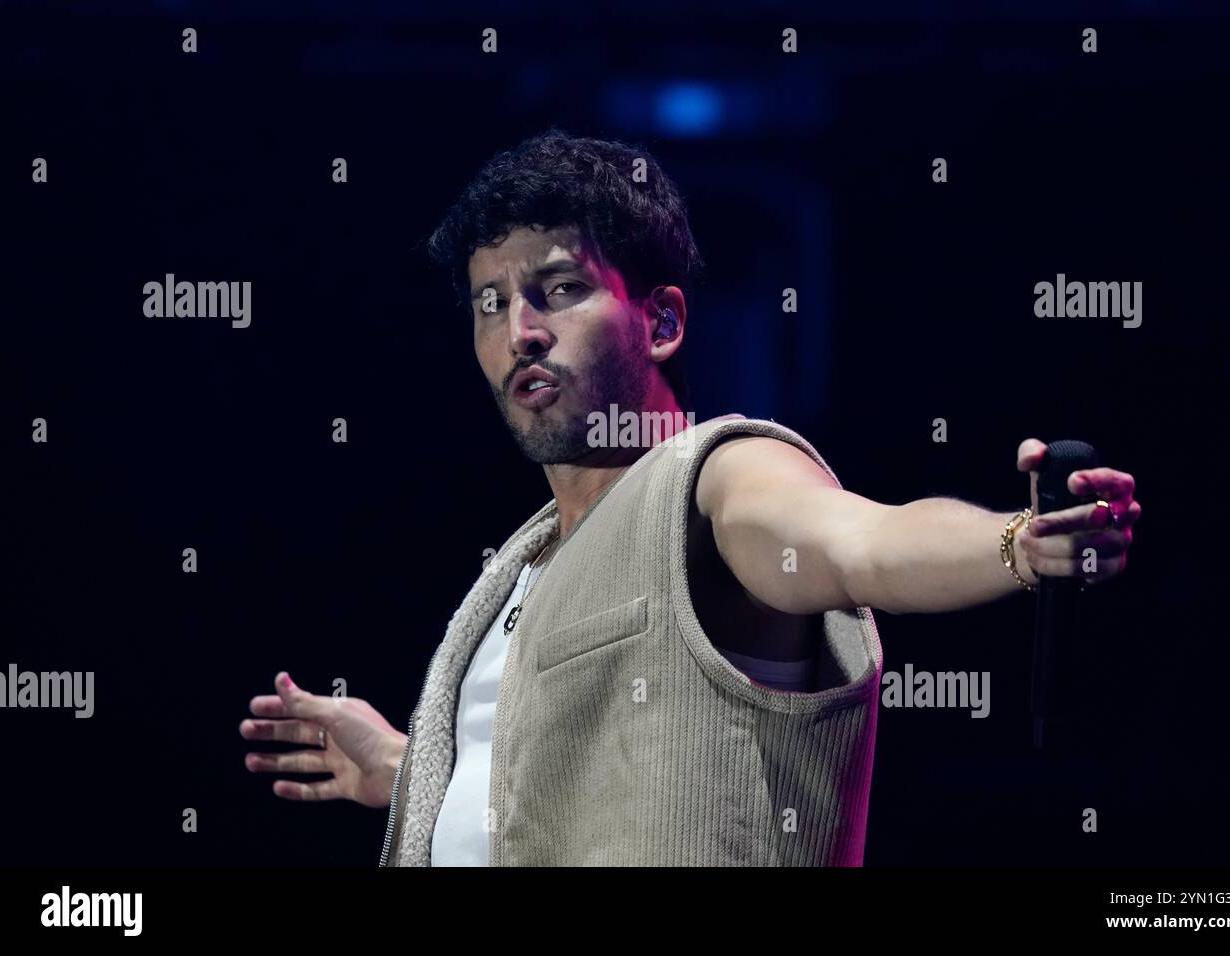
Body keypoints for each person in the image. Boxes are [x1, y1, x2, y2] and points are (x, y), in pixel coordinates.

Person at [239, 129, 1141, 866]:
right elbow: (568, 803)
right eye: (489, 301)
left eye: (559, 288)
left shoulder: (716, 478)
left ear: (661, 321)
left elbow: (859, 542)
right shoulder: (522, 563)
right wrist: (417, 768)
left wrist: (1016, 543)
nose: (520, 331)